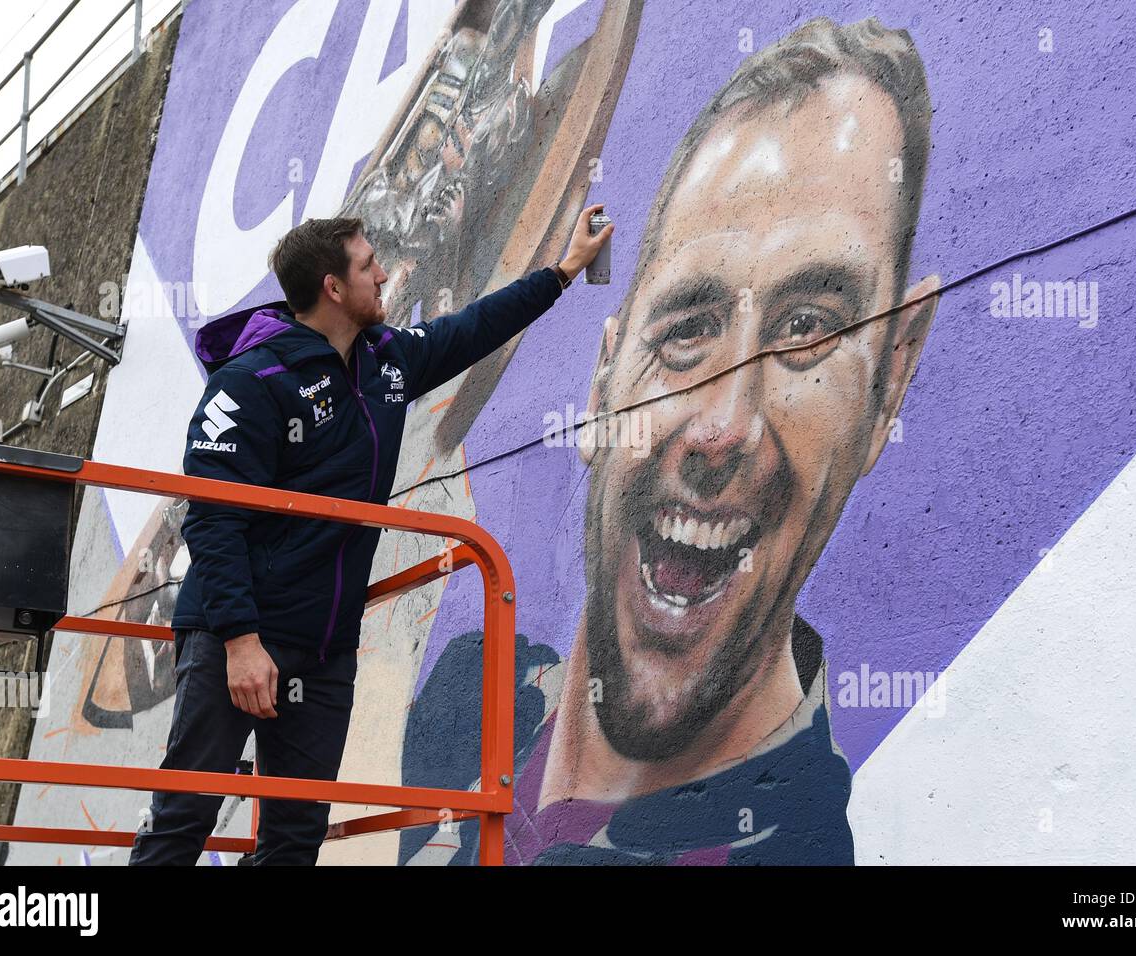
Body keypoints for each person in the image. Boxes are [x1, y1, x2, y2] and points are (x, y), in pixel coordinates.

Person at [399, 16, 941, 864]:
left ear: (890, 382)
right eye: (688, 327)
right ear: (600, 385)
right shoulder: (464, 701)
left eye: (809, 328)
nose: (724, 426)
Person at [129, 206, 613, 865]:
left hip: (324, 647)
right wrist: (240, 643)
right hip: (235, 635)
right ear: (332, 287)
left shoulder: (385, 364)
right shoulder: (251, 382)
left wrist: (561, 272)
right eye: (367, 265)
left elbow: (471, 330)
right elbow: (212, 518)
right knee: (183, 818)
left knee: (294, 839)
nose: (383, 274)